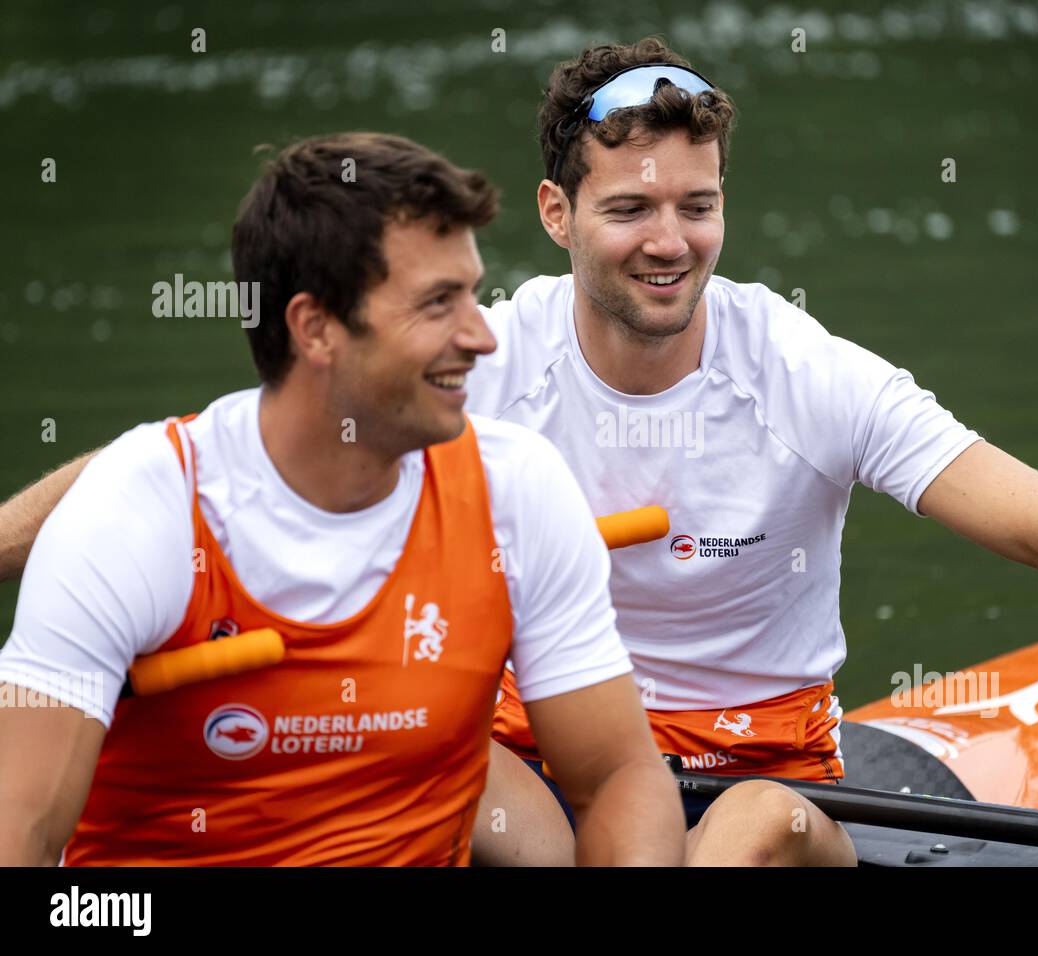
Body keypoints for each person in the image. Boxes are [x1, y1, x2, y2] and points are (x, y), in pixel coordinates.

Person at [0, 39, 1038, 866]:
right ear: (557, 216)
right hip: (539, 747)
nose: (670, 240)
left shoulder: (805, 372)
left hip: (762, 777)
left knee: (737, 841)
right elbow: (182, 462)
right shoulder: (483, 355)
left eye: (697, 205)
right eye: (630, 209)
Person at [0, 132, 685, 866]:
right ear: (315, 328)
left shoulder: (514, 489)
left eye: (474, 295)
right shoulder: (138, 514)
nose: (482, 337)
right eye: (438, 304)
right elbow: (24, 838)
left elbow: (616, 776)